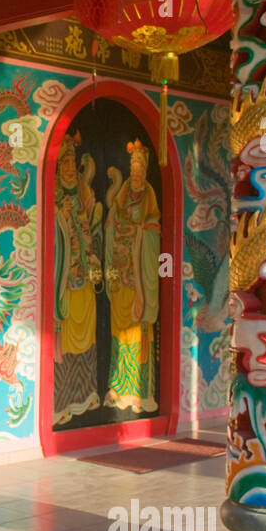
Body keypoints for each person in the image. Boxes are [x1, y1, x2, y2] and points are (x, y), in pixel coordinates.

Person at [103, 139, 161, 413]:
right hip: (120, 276)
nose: (135, 170)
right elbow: (112, 223)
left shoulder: (149, 195)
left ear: (146, 170)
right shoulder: (122, 194)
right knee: (118, 333)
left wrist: (140, 233)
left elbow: (154, 229)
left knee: (138, 333)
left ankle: (140, 389)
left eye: (140, 165)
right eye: (133, 165)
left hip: (139, 278)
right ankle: (118, 385)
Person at [52, 133, 103, 423]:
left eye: (73, 163)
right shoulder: (56, 201)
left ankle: (86, 394)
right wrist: (61, 216)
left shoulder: (83, 199)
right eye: (65, 164)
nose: (70, 169)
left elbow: (92, 234)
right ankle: (63, 400)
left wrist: (94, 259)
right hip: (65, 284)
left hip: (84, 281)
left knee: (87, 340)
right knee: (67, 341)